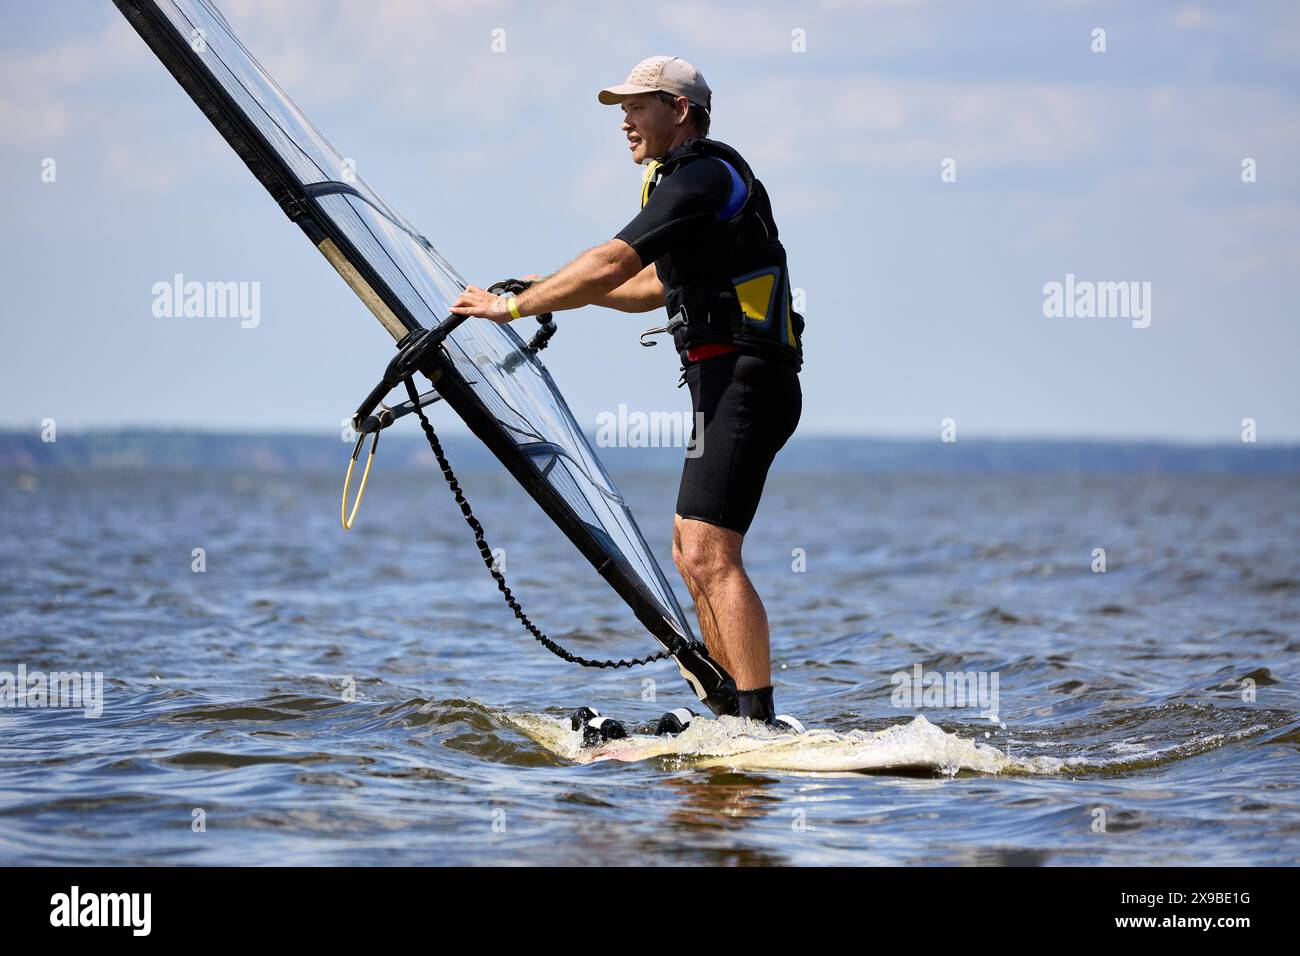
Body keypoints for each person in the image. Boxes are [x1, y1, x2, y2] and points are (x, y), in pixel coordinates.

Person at [450, 56, 804, 727]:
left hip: (748, 380)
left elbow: (614, 260)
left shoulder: (705, 174)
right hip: (720, 381)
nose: (625, 118)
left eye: (639, 104)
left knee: (709, 552)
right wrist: (545, 289)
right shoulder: (671, 183)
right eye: (621, 106)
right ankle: (732, 709)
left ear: (680, 110)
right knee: (688, 549)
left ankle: (756, 723)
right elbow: (646, 288)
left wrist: (511, 310)